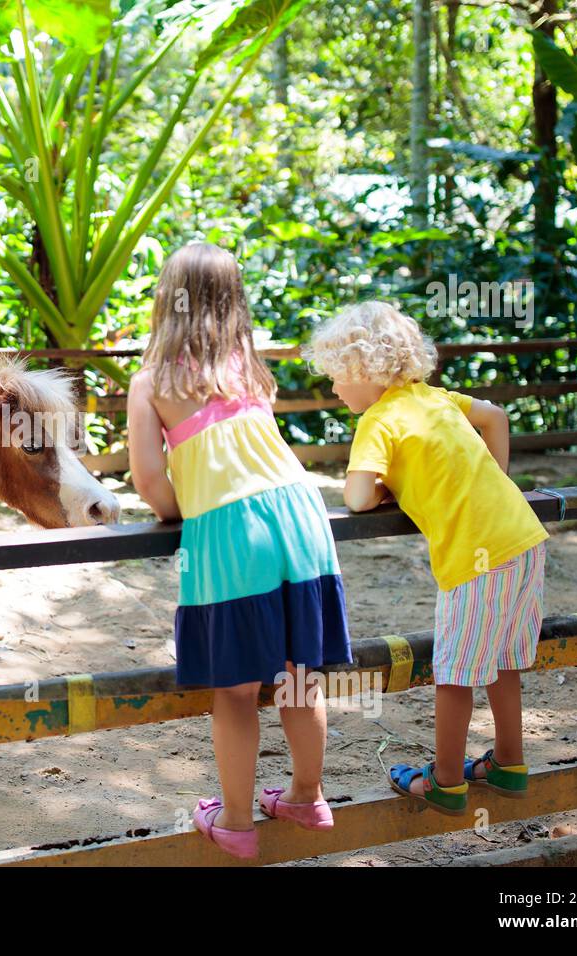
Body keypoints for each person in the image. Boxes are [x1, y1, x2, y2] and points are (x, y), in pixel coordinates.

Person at [128, 243, 351, 859]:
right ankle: (307, 795)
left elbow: (150, 480)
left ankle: (234, 820)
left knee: (233, 689)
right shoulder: (247, 369)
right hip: (302, 519)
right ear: (234, 301)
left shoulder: (152, 382)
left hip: (231, 532)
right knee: (299, 676)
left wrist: (182, 510)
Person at [304, 301, 547, 815]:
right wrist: (496, 481)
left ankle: (445, 783)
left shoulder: (377, 421)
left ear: (361, 372)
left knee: (454, 673)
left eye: (336, 378)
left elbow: (357, 498)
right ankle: (509, 763)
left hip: (476, 560)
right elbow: (496, 417)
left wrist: (388, 485)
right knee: (503, 659)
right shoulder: (436, 397)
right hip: (524, 538)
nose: (333, 390)